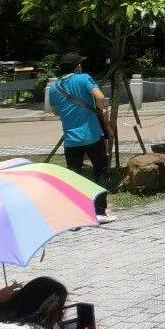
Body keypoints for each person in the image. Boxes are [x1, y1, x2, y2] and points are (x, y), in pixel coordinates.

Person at [48, 53, 114, 224]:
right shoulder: (84, 78)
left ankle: (77, 212)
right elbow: (100, 97)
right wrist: (101, 110)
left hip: (71, 139)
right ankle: (99, 211)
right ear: (77, 66)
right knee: (101, 170)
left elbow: (55, 111)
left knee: (74, 176)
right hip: (92, 135)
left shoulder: (54, 87)